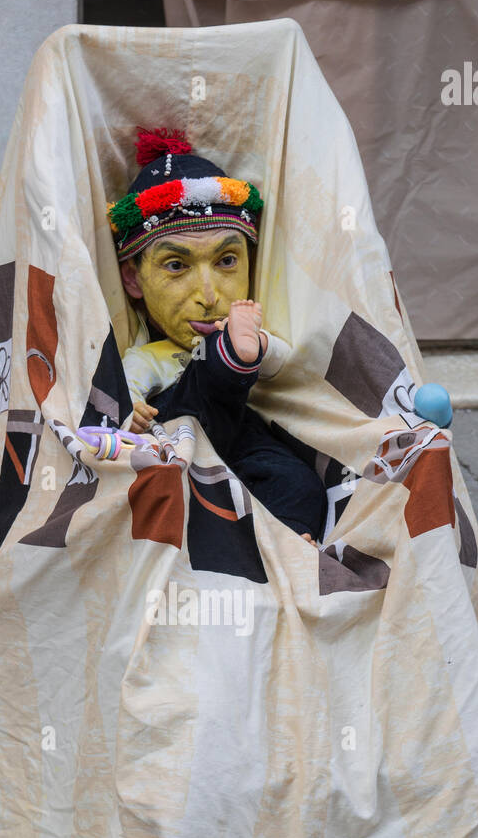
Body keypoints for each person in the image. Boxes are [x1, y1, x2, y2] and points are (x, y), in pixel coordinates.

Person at [108, 128, 329, 545]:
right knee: (203, 375)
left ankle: (289, 545)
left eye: (227, 260)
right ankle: (228, 358)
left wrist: (261, 347)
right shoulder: (149, 357)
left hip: (238, 437)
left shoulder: (245, 327)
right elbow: (129, 392)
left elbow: (284, 363)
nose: (209, 297)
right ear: (133, 280)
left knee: (296, 481)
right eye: (176, 265)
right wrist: (130, 412)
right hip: (177, 438)